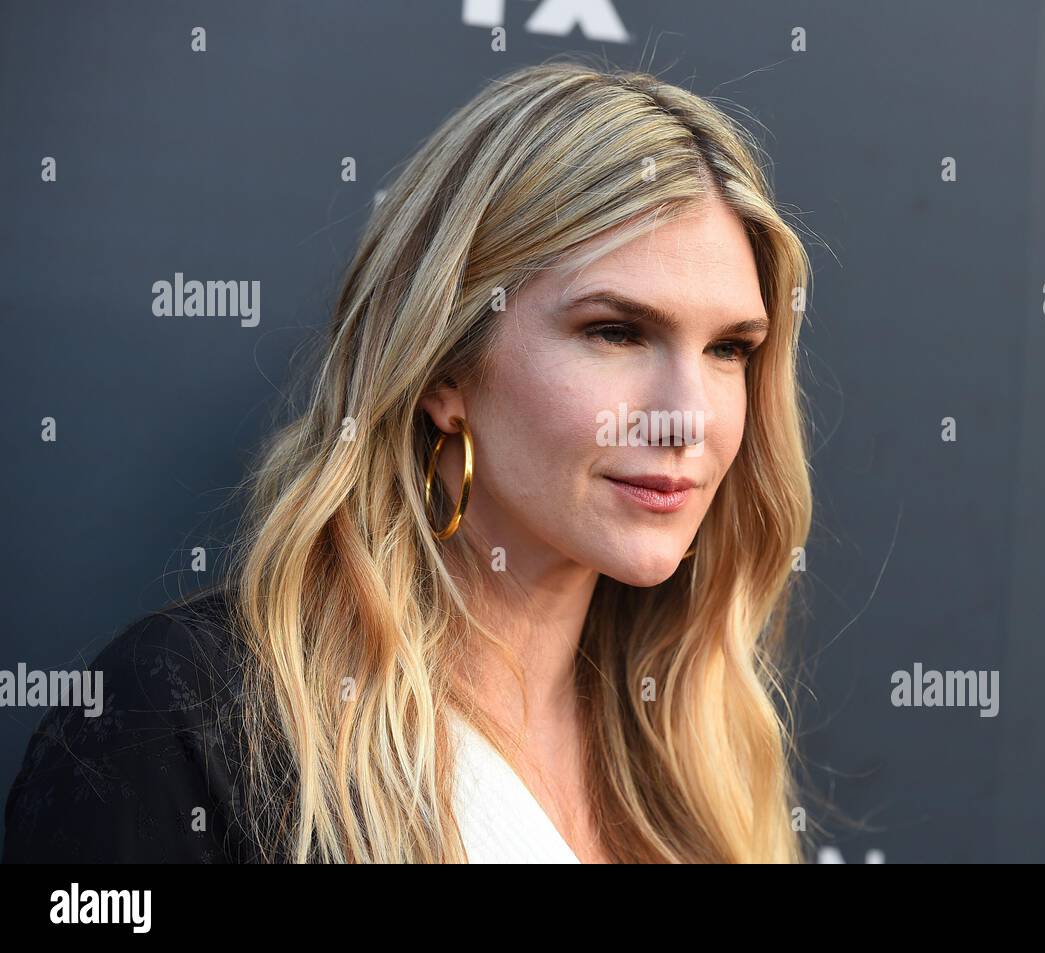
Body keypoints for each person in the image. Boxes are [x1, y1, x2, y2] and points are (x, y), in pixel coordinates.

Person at [4, 57, 815, 863]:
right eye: (616, 331)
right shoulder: (188, 723)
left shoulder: (698, 754)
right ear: (444, 367)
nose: (688, 418)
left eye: (730, 348)